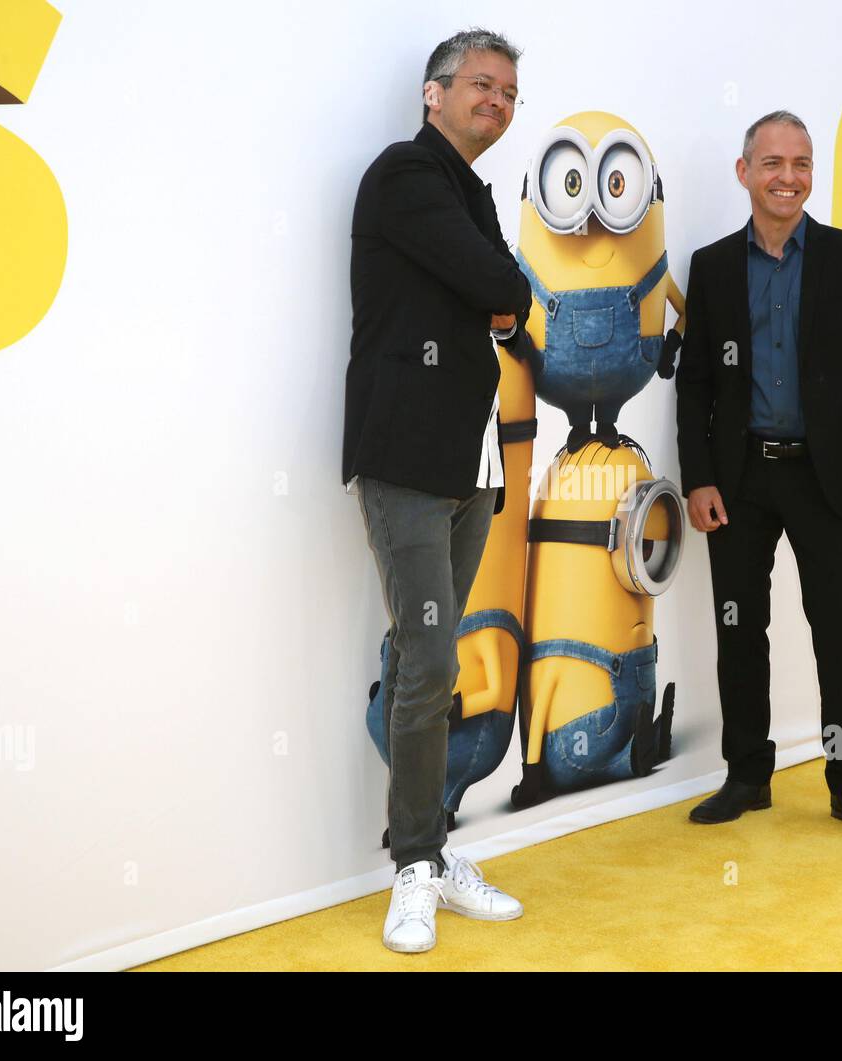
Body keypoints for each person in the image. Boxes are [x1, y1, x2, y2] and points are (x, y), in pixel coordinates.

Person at [342, 28, 533, 953]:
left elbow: (512, 295)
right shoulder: (406, 176)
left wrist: (496, 291)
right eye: (481, 86)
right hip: (411, 462)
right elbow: (499, 283)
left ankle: (431, 843)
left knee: (432, 653)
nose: (495, 102)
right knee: (431, 664)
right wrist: (492, 291)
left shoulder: (473, 194)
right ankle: (415, 863)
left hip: (475, 465)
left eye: (508, 94)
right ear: (435, 94)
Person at [674, 111, 842, 839]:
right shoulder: (712, 266)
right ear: (744, 172)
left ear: (813, 174)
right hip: (740, 482)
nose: (788, 177)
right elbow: (697, 387)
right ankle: (747, 775)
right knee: (740, 630)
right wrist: (700, 479)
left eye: (801, 164)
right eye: (772, 162)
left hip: (828, 481)